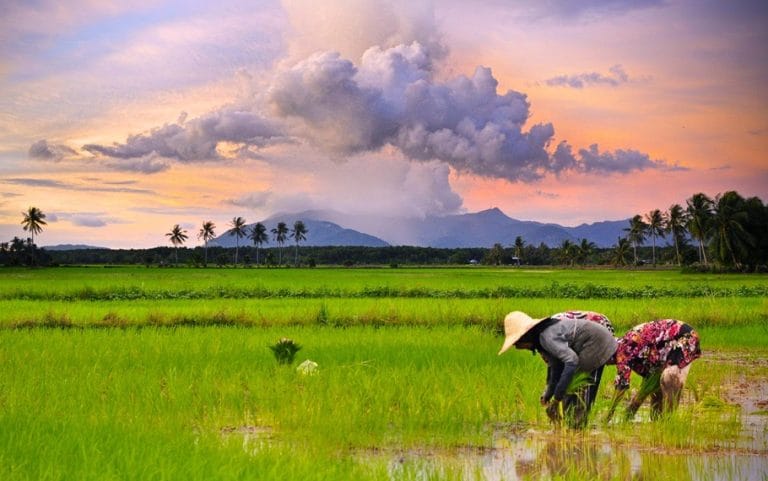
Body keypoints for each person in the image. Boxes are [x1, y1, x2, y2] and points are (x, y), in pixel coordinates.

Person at [498, 310, 617, 428]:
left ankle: (577, 432)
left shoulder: (547, 337)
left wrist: (557, 399)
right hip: (588, 344)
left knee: (579, 386)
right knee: (568, 387)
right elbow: (555, 368)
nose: (518, 348)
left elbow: (571, 361)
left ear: (525, 337)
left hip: (597, 343)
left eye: (517, 344)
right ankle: (570, 427)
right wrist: (548, 395)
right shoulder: (541, 341)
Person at [605, 319, 701, 422]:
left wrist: (609, 415)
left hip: (683, 336)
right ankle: (658, 423)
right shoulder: (631, 350)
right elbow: (652, 378)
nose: (606, 364)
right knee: (657, 388)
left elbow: (621, 385)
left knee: (669, 377)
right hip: (674, 341)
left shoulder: (623, 350)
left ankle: (668, 423)